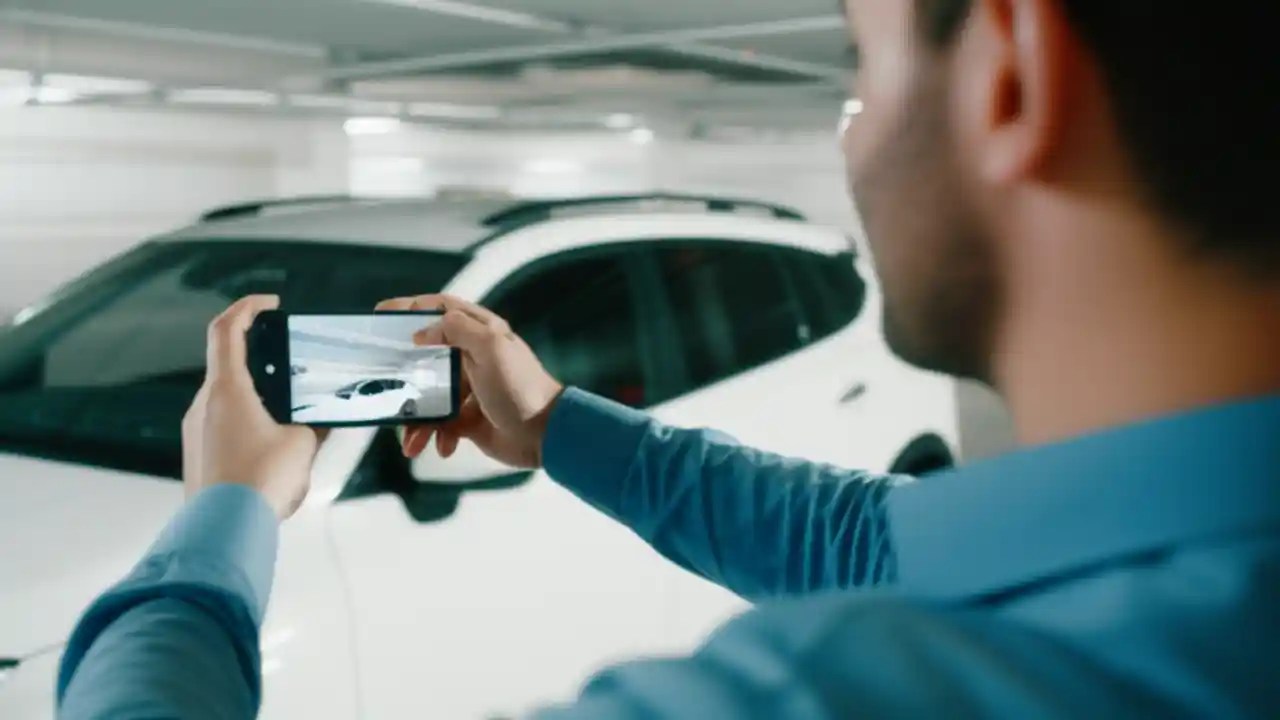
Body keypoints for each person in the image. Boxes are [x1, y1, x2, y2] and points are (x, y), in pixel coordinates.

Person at [57, 0, 1279, 717]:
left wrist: (221, 518)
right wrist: (551, 428)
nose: (852, 132)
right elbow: (873, 543)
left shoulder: (827, 697)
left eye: (862, 62)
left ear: (1007, 74)